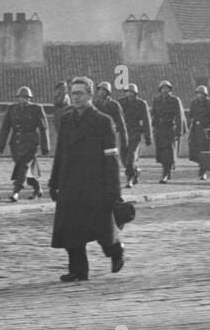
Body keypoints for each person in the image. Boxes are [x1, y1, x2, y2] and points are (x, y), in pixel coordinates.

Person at [49, 76, 124, 282]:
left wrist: (113, 191)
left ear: (90, 95)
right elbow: (61, 152)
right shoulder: (66, 119)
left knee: (101, 229)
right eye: (73, 93)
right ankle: (78, 270)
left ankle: (116, 251)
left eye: (80, 93)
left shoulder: (103, 121)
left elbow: (112, 158)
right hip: (70, 182)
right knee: (71, 228)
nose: (76, 97)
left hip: (95, 184)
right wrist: (54, 182)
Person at [0, 86, 50, 200]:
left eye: (26, 97)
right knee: (25, 168)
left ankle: (16, 191)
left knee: (23, 166)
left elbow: (43, 128)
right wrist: (1, 144)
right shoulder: (12, 109)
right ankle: (37, 188)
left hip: (31, 143)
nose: (23, 100)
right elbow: (5, 128)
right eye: (21, 97)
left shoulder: (37, 108)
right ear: (17, 98)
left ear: (30, 98)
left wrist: (45, 146)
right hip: (15, 143)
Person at [93, 82, 129, 179]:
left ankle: (126, 173)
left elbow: (121, 123)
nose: (101, 92)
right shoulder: (95, 104)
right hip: (98, 135)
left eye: (104, 90)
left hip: (112, 134)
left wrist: (124, 139)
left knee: (112, 156)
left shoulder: (114, 105)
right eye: (100, 90)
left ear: (108, 92)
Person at [151, 81, 186, 182]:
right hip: (160, 129)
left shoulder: (175, 100)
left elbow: (179, 116)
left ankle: (165, 173)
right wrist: (154, 125)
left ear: (170, 89)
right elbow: (153, 113)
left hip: (170, 128)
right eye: (163, 88)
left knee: (168, 152)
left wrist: (179, 131)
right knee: (161, 152)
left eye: (167, 88)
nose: (165, 90)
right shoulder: (156, 100)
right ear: (160, 89)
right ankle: (166, 171)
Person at [119, 83, 152, 187]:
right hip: (124, 133)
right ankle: (136, 171)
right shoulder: (121, 103)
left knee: (131, 156)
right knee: (123, 157)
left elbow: (147, 120)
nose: (129, 94)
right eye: (127, 92)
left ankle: (129, 179)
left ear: (135, 93)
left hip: (135, 132)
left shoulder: (141, 104)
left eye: (131, 92)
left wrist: (148, 136)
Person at [188, 84, 210, 180]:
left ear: (205, 94)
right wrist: (190, 125)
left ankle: (203, 171)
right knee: (196, 151)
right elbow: (190, 115)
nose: (200, 96)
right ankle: (201, 168)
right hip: (196, 130)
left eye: (202, 94)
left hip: (206, 130)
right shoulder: (194, 103)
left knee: (205, 151)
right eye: (198, 94)